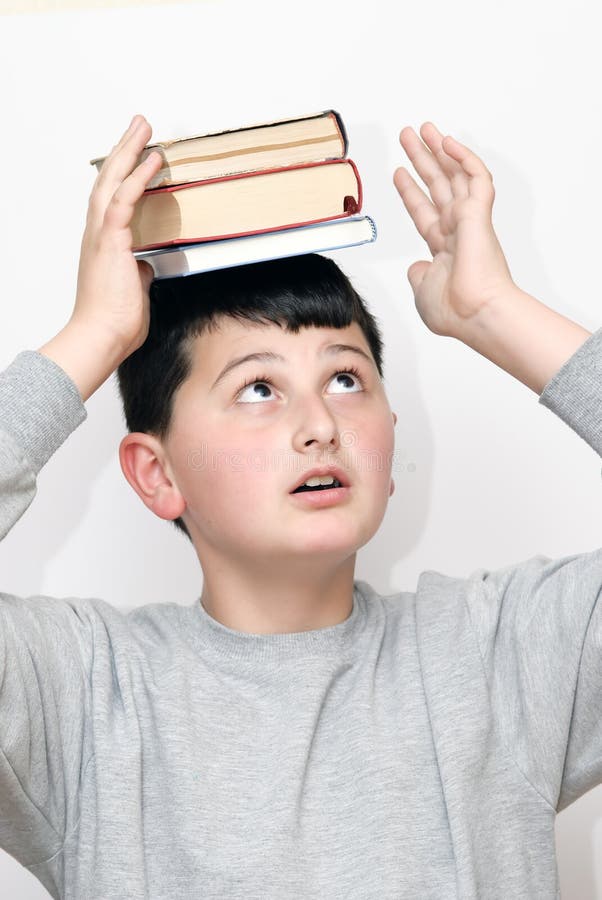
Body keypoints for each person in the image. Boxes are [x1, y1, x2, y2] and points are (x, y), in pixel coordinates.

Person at [0, 114, 599, 899]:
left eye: (346, 379)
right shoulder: (75, 693)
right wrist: (94, 334)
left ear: (390, 437)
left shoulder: (510, 657)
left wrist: (495, 313)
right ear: (156, 474)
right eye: (258, 388)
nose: (321, 426)